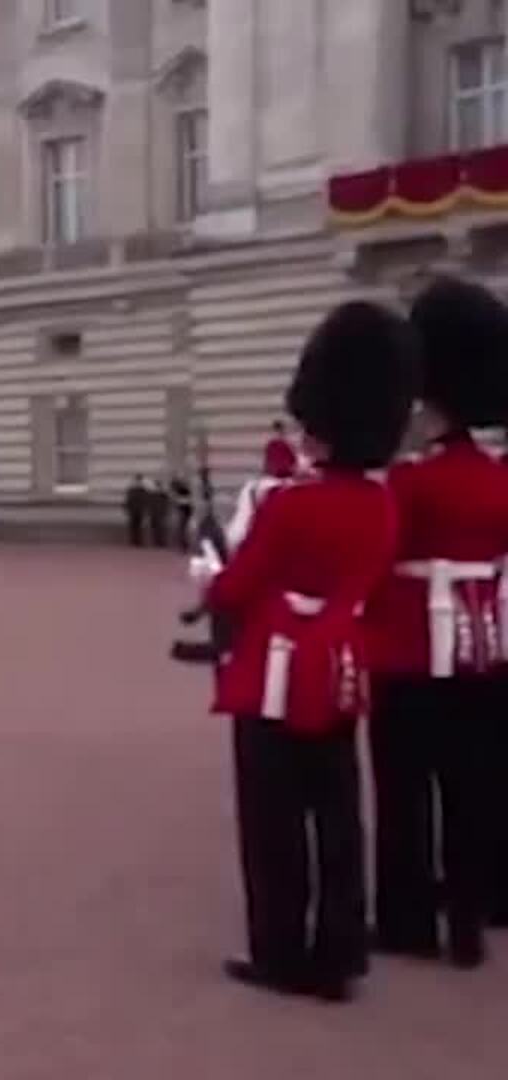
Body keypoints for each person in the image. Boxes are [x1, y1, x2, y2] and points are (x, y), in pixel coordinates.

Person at [192, 300, 418, 1003]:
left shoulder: (291, 504)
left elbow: (236, 588)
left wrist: (205, 574)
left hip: (276, 673)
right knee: (340, 810)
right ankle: (340, 950)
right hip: (342, 669)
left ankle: (282, 950)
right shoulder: (382, 505)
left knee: (274, 819)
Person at [359, 277, 508, 969]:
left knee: (405, 794)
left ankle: (408, 918)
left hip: (411, 651)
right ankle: (471, 919)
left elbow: (379, 561)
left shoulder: (410, 484)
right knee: (475, 786)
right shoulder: (497, 477)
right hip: (485, 649)